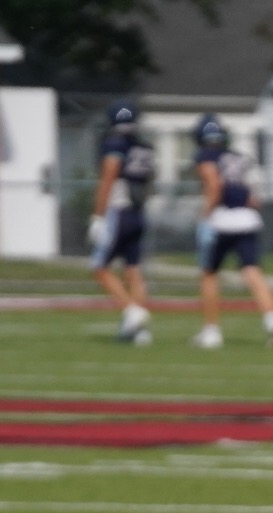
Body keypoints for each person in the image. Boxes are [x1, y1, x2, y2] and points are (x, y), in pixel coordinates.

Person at [189, 115, 273, 349]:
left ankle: (211, 332)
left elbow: (215, 186)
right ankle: (272, 318)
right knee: (252, 271)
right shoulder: (238, 156)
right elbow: (252, 197)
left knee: (209, 274)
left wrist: (205, 216)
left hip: (223, 218)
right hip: (248, 218)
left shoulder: (206, 157)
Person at [88, 100, 156, 345]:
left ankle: (132, 311)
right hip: (137, 212)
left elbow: (109, 176)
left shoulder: (115, 144)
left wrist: (98, 215)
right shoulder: (144, 147)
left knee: (100, 267)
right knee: (133, 269)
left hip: (118, 211)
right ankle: (139, 332)